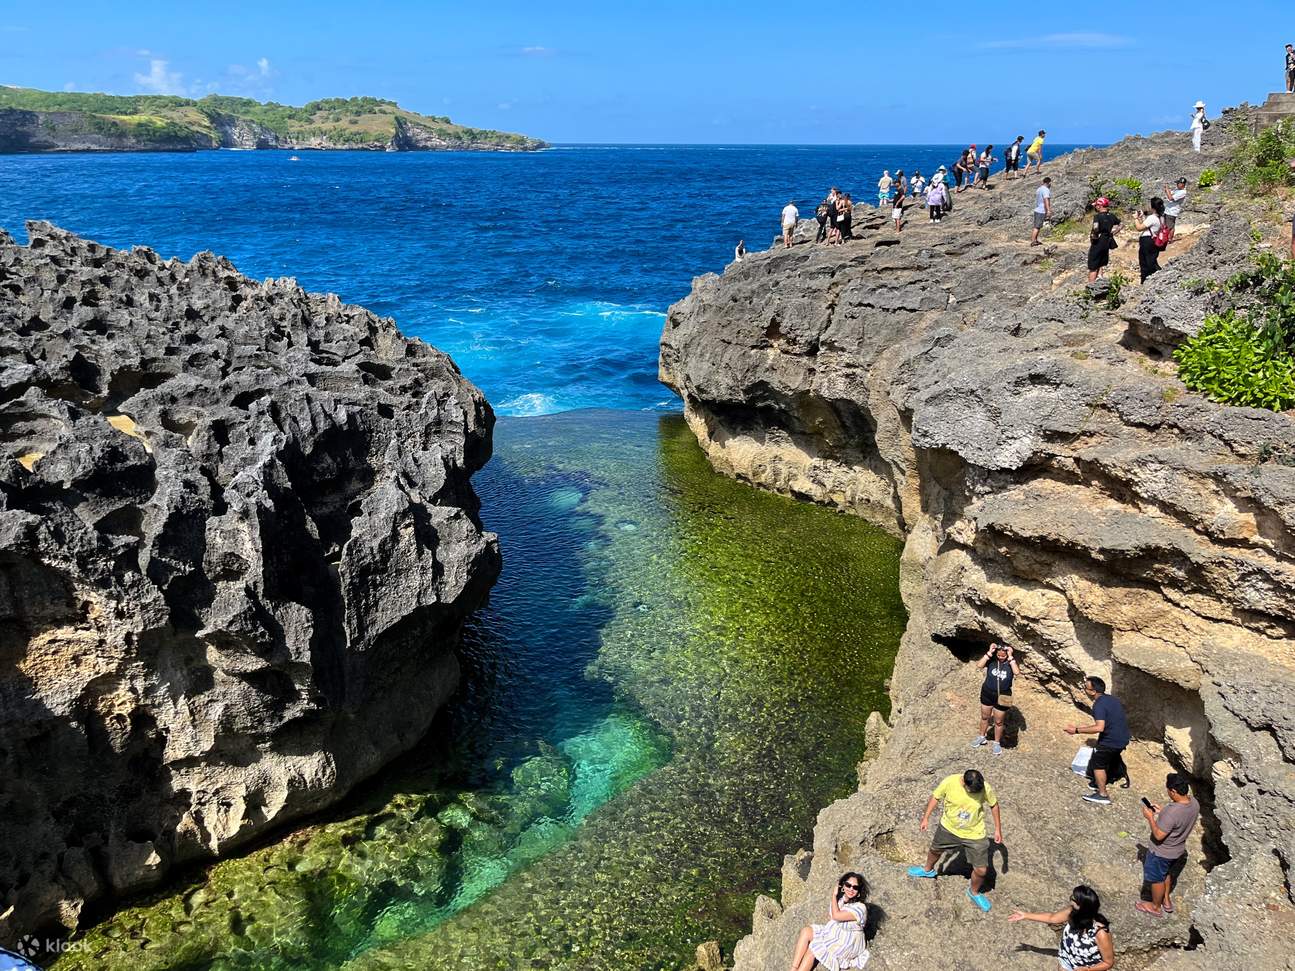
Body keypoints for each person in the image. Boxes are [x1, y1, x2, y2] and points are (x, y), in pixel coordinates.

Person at [907, 768, 1002, 912]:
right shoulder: (950, 782)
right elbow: (935, 797)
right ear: (963, 782)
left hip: (974, 833)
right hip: (949, 828)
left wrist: (997, 829)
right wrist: (926, 817)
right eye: (972, 791)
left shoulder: (984, 787)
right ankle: (927, 870)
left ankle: (974, 892)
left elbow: (994, 805)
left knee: (981, 870)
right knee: (935, 849)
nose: (975, 793)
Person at [1136, 772, 1201, 918]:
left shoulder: (1172, 813)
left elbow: (1159, 835)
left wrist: (1150, 818)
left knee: (1156, 879)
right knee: (1165, 873)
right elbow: (1178, 821)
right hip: (1177, 850)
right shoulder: (1194, 803)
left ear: (1173, 791)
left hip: (1161, 852)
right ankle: (1166, 901)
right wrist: (1162, 812)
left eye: (1168, 790)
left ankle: (1155, 907)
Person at [1009, 885, 1115, 971]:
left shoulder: (1100, 933)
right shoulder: (1072, 912)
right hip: (1066, 962)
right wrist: (1026, 915)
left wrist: (1087, 969)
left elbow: (1108, 962)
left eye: (1072, 898)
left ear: (1081, 906)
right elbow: (1052, 917)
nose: (1070, 899)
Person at [1064, 675, 1131, 805]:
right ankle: (1099, 780)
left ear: (1093, 691)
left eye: (1086, 688)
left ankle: (1102, 794)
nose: (1084, 690)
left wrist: (1076, 730)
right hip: (1123, 738)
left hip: (1111, 741)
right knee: (1107, 758)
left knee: (1097, 763)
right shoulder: (1112, 700)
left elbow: (1099, 727)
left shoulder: (1098, 705)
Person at [790, 872, 871, 971]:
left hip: (848, 942)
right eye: (848, 885)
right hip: (837, 934)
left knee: (814, 948)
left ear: (859, 891)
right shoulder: (842, 900)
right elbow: (832, 916)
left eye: (855, 887)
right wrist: (838, 898)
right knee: (806, 931)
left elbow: (836, 916)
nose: (851, 889)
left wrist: (834, 895)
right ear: (843, 885)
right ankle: (793, 969)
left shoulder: (860, 908)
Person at [972, 643, 1018, 755]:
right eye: (999, 655)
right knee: (984, 717)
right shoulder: (992, 661)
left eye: (1003, 655)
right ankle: (982, 737)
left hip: (1004, 696)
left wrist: (1011, 657)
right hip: (987, 693)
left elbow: (1017, 672)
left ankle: (997, 743)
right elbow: (979, 665)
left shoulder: (1010, 664)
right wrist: (989, 652)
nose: (1001, 657)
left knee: (998, 721)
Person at [1087, 197, 1121, 283]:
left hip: (1098, 242)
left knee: (1093, 266)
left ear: (1100, 206)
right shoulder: (1111, 216)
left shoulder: (1097, 217)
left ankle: (1091, 286)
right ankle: (1100, 279)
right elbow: (1121, 224)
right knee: (1101, 262)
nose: (1096, 207)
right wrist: (1113, 233)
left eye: (1097, 205)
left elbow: (1095, 228)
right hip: (1107, 241)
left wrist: (1093, 237)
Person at [1136, 198, 1167, 283]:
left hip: (1147, 241)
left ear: (1153, 207)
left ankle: (1147, 281)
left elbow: (1139, 228)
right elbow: (1146, 226)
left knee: (1145, 263)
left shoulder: (1152, 218)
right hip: (1153, 241)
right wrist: (1141, 217)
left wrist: (1135, 219)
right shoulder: (1161, 217)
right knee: (1152, 260)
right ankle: (1153, 278)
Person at [1162, 178, 1187, 243]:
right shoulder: (1177, 190)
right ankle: (1167, 239)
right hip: (1168, 210)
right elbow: (1169, 193)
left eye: (1178, 183)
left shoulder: (1183, 192)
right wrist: (1166, 189)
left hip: (1172, 211)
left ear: (1182, 184)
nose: (1177, 184)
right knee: (1166, 225)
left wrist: (1167, 189)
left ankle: (1169, 239)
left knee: (1170, 226)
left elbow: (1170, 198)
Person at [1030, 177, 1052, 246]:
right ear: (1049, 183)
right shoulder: (1046, 190)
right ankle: (1033, 241)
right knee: (1037, 226)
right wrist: (1048, 210)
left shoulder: (1039, 189)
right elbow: (1046, 200)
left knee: (1038, 226)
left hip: (1037, 209)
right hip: (1041, 210)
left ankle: (1035, 240)